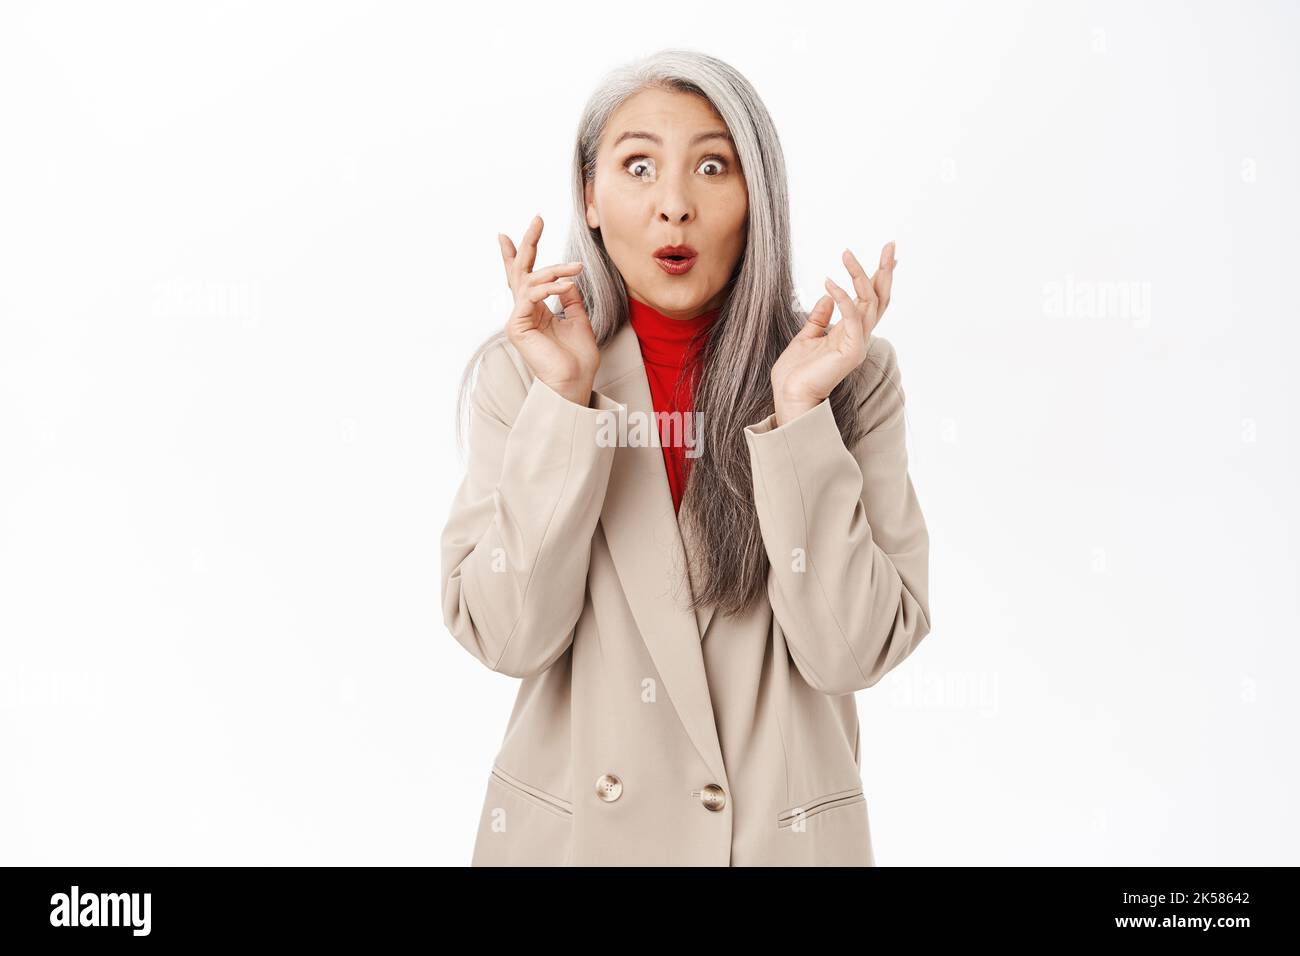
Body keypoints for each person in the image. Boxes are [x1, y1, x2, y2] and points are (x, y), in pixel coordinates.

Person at [440, 49, 932, 866]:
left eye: (712, 166)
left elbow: (856, 650)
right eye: (638, 166)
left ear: (757, 197)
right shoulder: (523, 373)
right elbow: (506, 636)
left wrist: (801, 415)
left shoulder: (850, 376)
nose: (674, 206)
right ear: (590, 198)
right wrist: (563, 404)